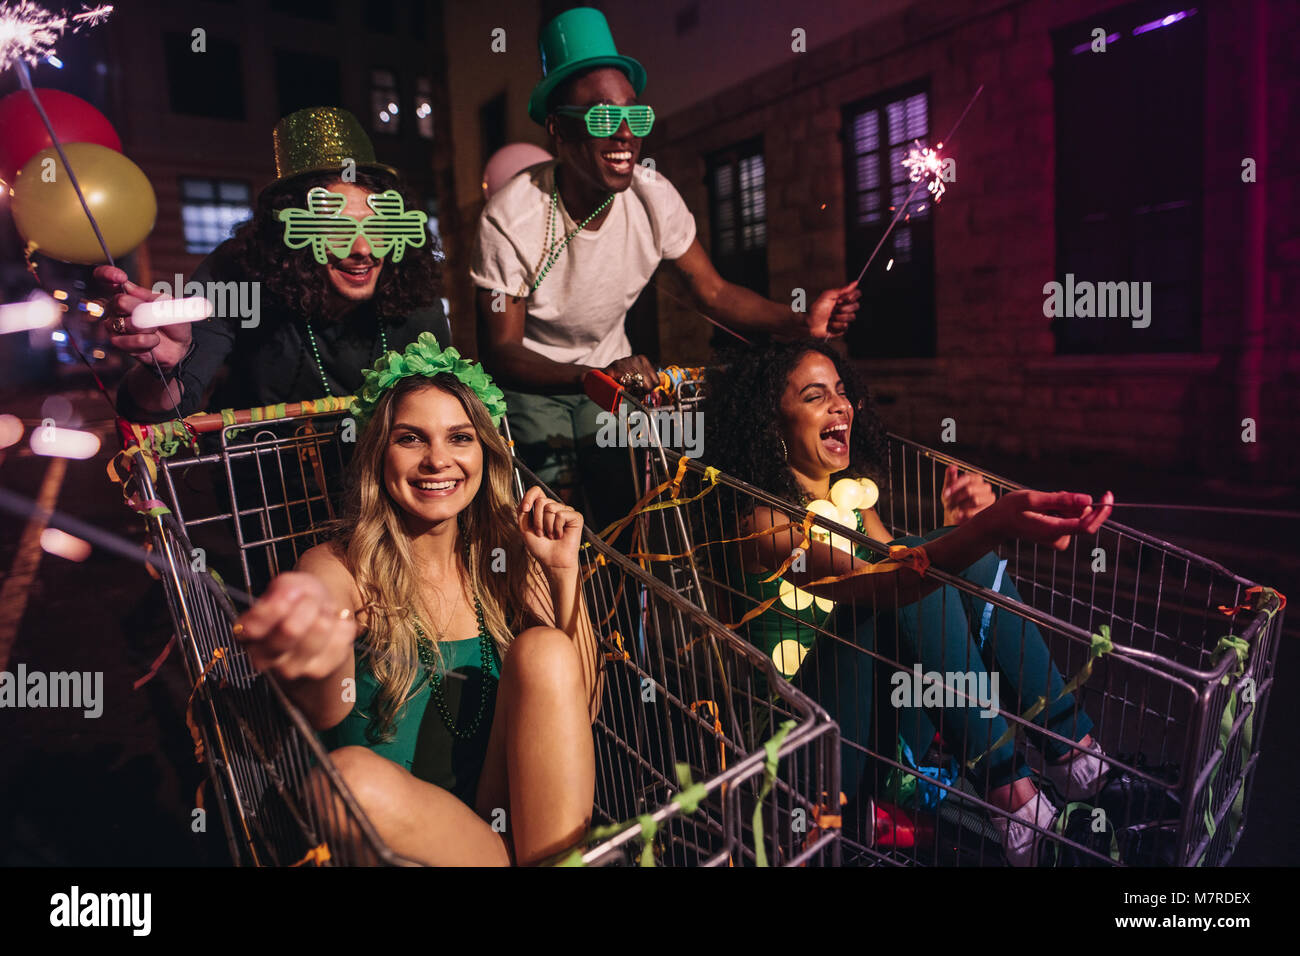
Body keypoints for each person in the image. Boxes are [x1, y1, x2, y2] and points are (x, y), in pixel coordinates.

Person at [703, 340, 1116, 865]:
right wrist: (990, 528)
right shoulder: (760, 526)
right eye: (814, 396)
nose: (840, 406)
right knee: (910, 570)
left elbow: (913, 582)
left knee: (935, 562)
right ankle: (1021, 804)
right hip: (805, 753)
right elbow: (883, 585)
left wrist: (963, 534)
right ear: (772, 426)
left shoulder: (854, 503)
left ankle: (1073, 758)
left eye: (842, 391)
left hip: (881, 736)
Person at [471, 7, 860, 528]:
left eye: (636, 117)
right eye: (604, 118)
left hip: (609, 379)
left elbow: (715, 293)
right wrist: (591, 375)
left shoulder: (653, 199)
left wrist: (800, 322)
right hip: (535, 384)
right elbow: (500, 352)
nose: (626, 135)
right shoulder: (511, 215)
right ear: (558, 129)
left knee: (626, 514)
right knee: (546, 516)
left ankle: (617, 608)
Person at [231, 334, 601, 865]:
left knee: (546, 650)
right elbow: (324, 693)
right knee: (349, 785)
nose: (437, 461)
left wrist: (565, 573)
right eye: (411, 438)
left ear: (484, 452)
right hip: (400, 842)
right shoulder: (340, 566)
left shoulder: (505, 558)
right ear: (378, 454)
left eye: (459, 438)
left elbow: (581, 711)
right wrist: (314, 628)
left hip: (508, 826)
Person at [98, 107, 451, 423]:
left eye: (378, 227)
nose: (363, 248)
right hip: (271, 483)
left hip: (381, 482)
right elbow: (161, 409)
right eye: (335, 228)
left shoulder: (410, 281)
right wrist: (162, 369)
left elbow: (439, 404)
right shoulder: (236, 275)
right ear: (287, 231)